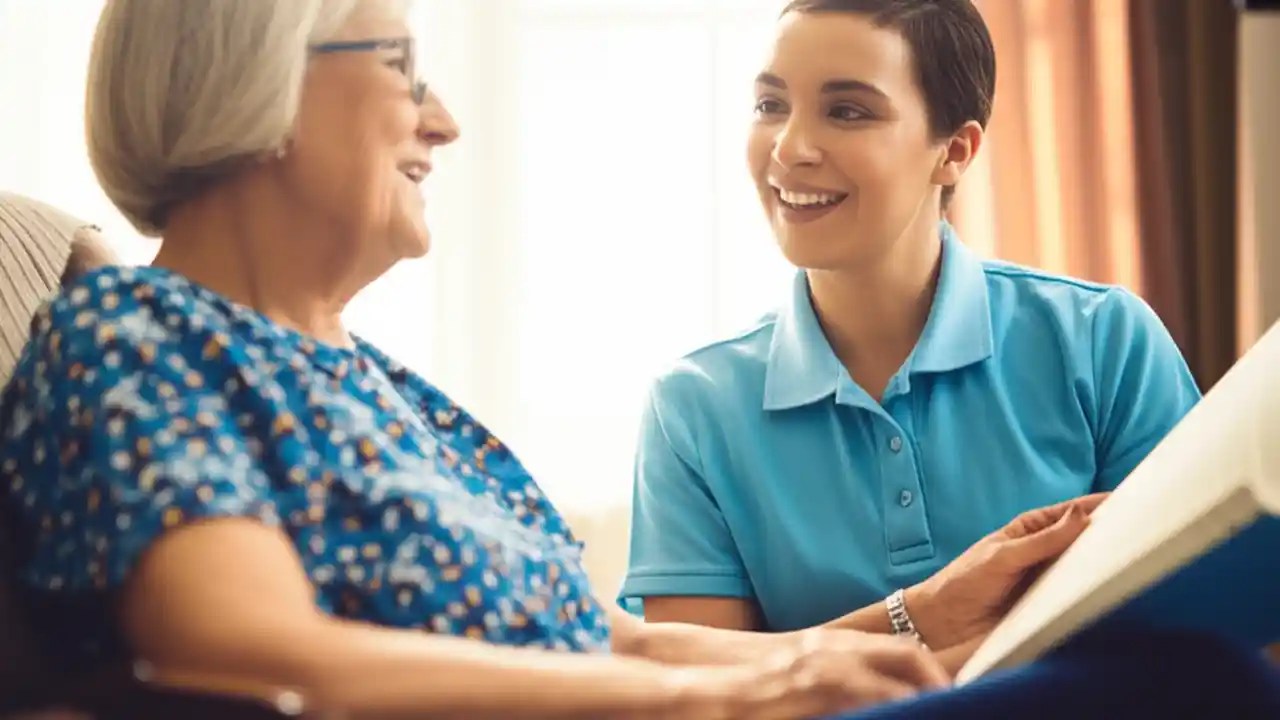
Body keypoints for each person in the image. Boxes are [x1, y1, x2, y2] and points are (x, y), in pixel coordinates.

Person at [2, 1, 1277, 719]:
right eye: (398, 64)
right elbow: (244, 658)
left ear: (957, 149)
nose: (442, 119)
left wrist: (841, 654)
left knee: (1188, 674)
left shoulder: (396, 397)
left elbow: (604, 640)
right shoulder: (138, 336)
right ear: (256, 85)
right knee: (1189, 687)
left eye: (846, 110)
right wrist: (729, 695)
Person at [621, 0, 1201, 662]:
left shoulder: (1104, 343)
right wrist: (921, 621)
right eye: (769, 105)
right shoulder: (692, 405)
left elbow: (1190, 640)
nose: (790, 148)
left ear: (955, 151)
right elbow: (688, 687)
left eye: (847, 111)